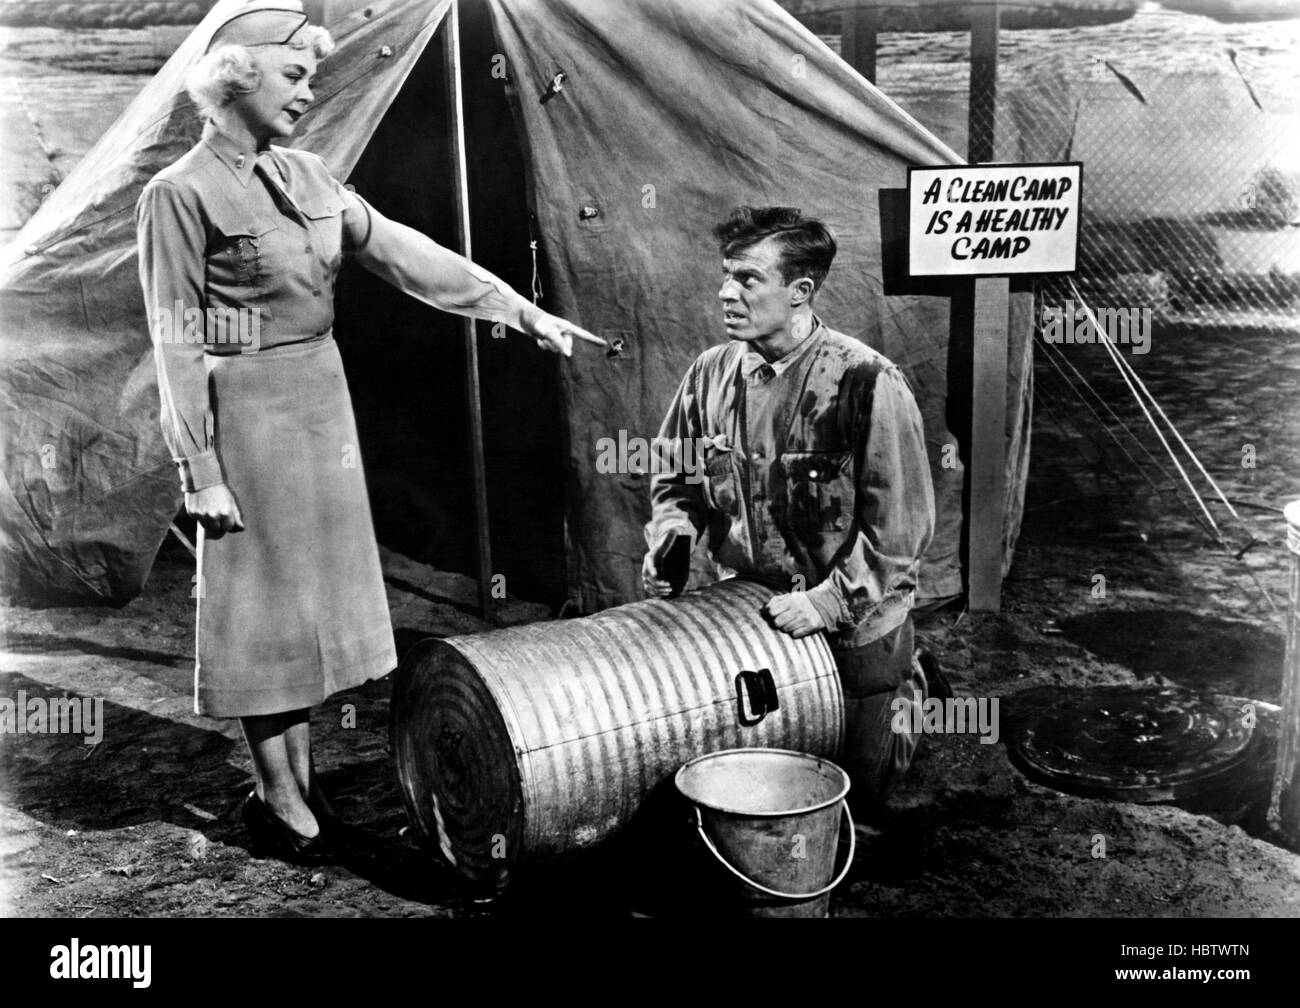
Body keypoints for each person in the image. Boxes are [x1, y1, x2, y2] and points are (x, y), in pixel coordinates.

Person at [136, 2, 601, 863]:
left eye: (312, 76)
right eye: (294, 75)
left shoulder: (312, 176)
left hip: (322, 401)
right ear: (236, 76)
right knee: (262, 611)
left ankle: (297, 793)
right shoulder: (180, 194)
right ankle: (283, 805)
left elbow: (402, 251)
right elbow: (173, 338)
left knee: (307, 606)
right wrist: (199, 468)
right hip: (244, 412)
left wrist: (519, 310)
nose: (309, 92)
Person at [643, 205, 941, 818]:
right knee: (747, 778)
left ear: (800, 291)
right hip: (749, 614)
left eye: (748, 279)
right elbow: (675, 479)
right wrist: (672, 536)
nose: (727, 292)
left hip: (851, 622)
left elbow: (901, 530)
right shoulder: (709, 374)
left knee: (855, 795)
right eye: (726, 275)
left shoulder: (867, 381)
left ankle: (914, 683)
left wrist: (828, 602)